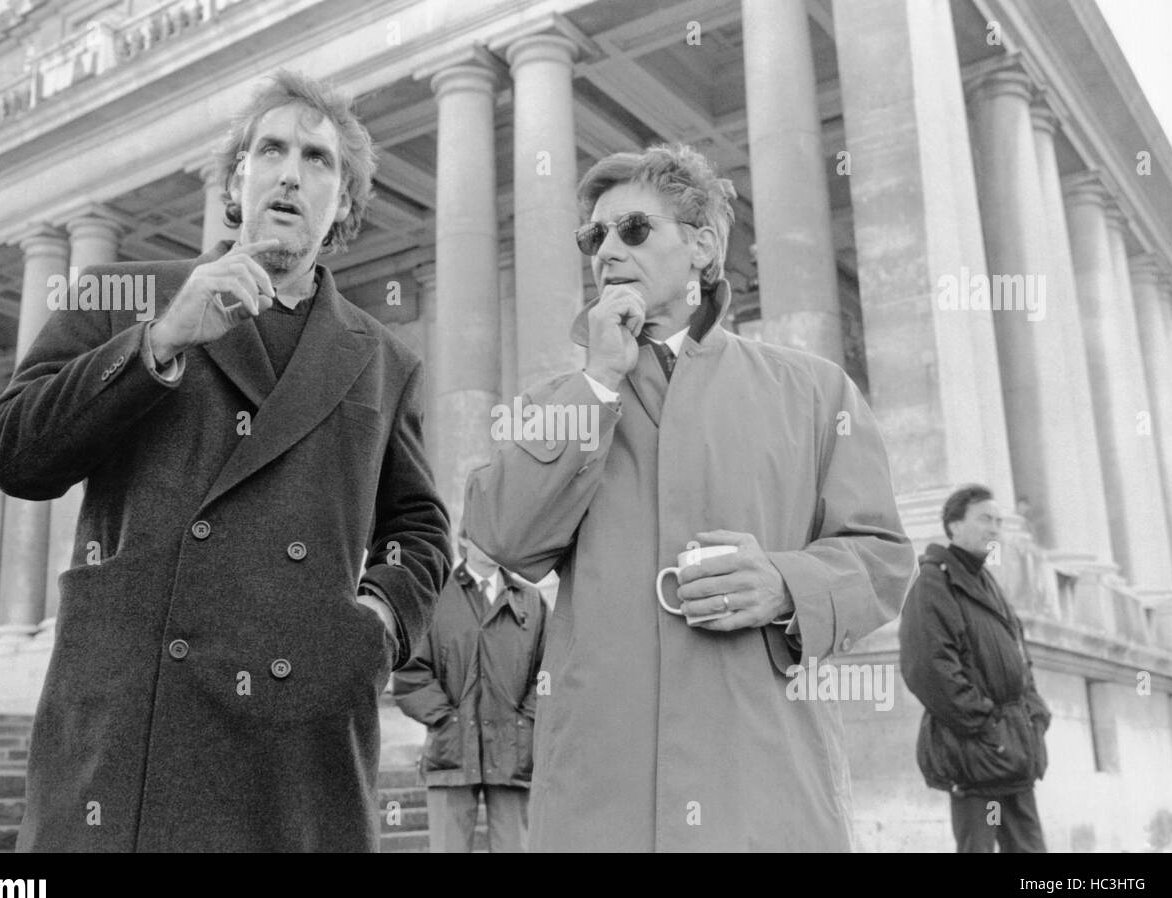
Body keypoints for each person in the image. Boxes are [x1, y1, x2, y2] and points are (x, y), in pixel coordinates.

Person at [0, 70, 451, 852]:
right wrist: (156, 343)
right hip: (133, 724)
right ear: (236, 181)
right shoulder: (123, 295)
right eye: (270, 149)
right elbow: (14, 452)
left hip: (298, 732)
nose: (291, 172)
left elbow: (420, 526)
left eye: (318, 159)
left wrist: (375, 623)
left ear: (344, 206)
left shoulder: (384, 360)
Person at [462, 142, 915, 852]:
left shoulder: (816, 391)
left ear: (703, 245)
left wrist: (787, 584)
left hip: (763, 787)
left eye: (633, 229)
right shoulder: (558, 399)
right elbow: (502, 538)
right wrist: (600, 383)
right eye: (595, 236)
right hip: (599, 798)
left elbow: (883, 558)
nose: (607, 248)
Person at [899, 484, 1052, 853]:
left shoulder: (983, 579)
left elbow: (1019, 656)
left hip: (1013, 750)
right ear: (953, 526)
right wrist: (986, 727)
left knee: (1029, 850)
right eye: (985, 518)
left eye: (999, 520)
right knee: (979, 848)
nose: (995, 528)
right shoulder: (934, 581)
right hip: (977, 755)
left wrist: (1034, 714)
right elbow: (930, 670)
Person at [392, 530, 547, 852]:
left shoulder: (531, 600)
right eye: (481, 533)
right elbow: (410, 672)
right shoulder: (434, 596)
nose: (490, 542)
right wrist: (445, 721)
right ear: (463, 540)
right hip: (452, 748)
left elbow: (549, 672)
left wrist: (527, 720)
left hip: (512, 750)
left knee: (515, 847)